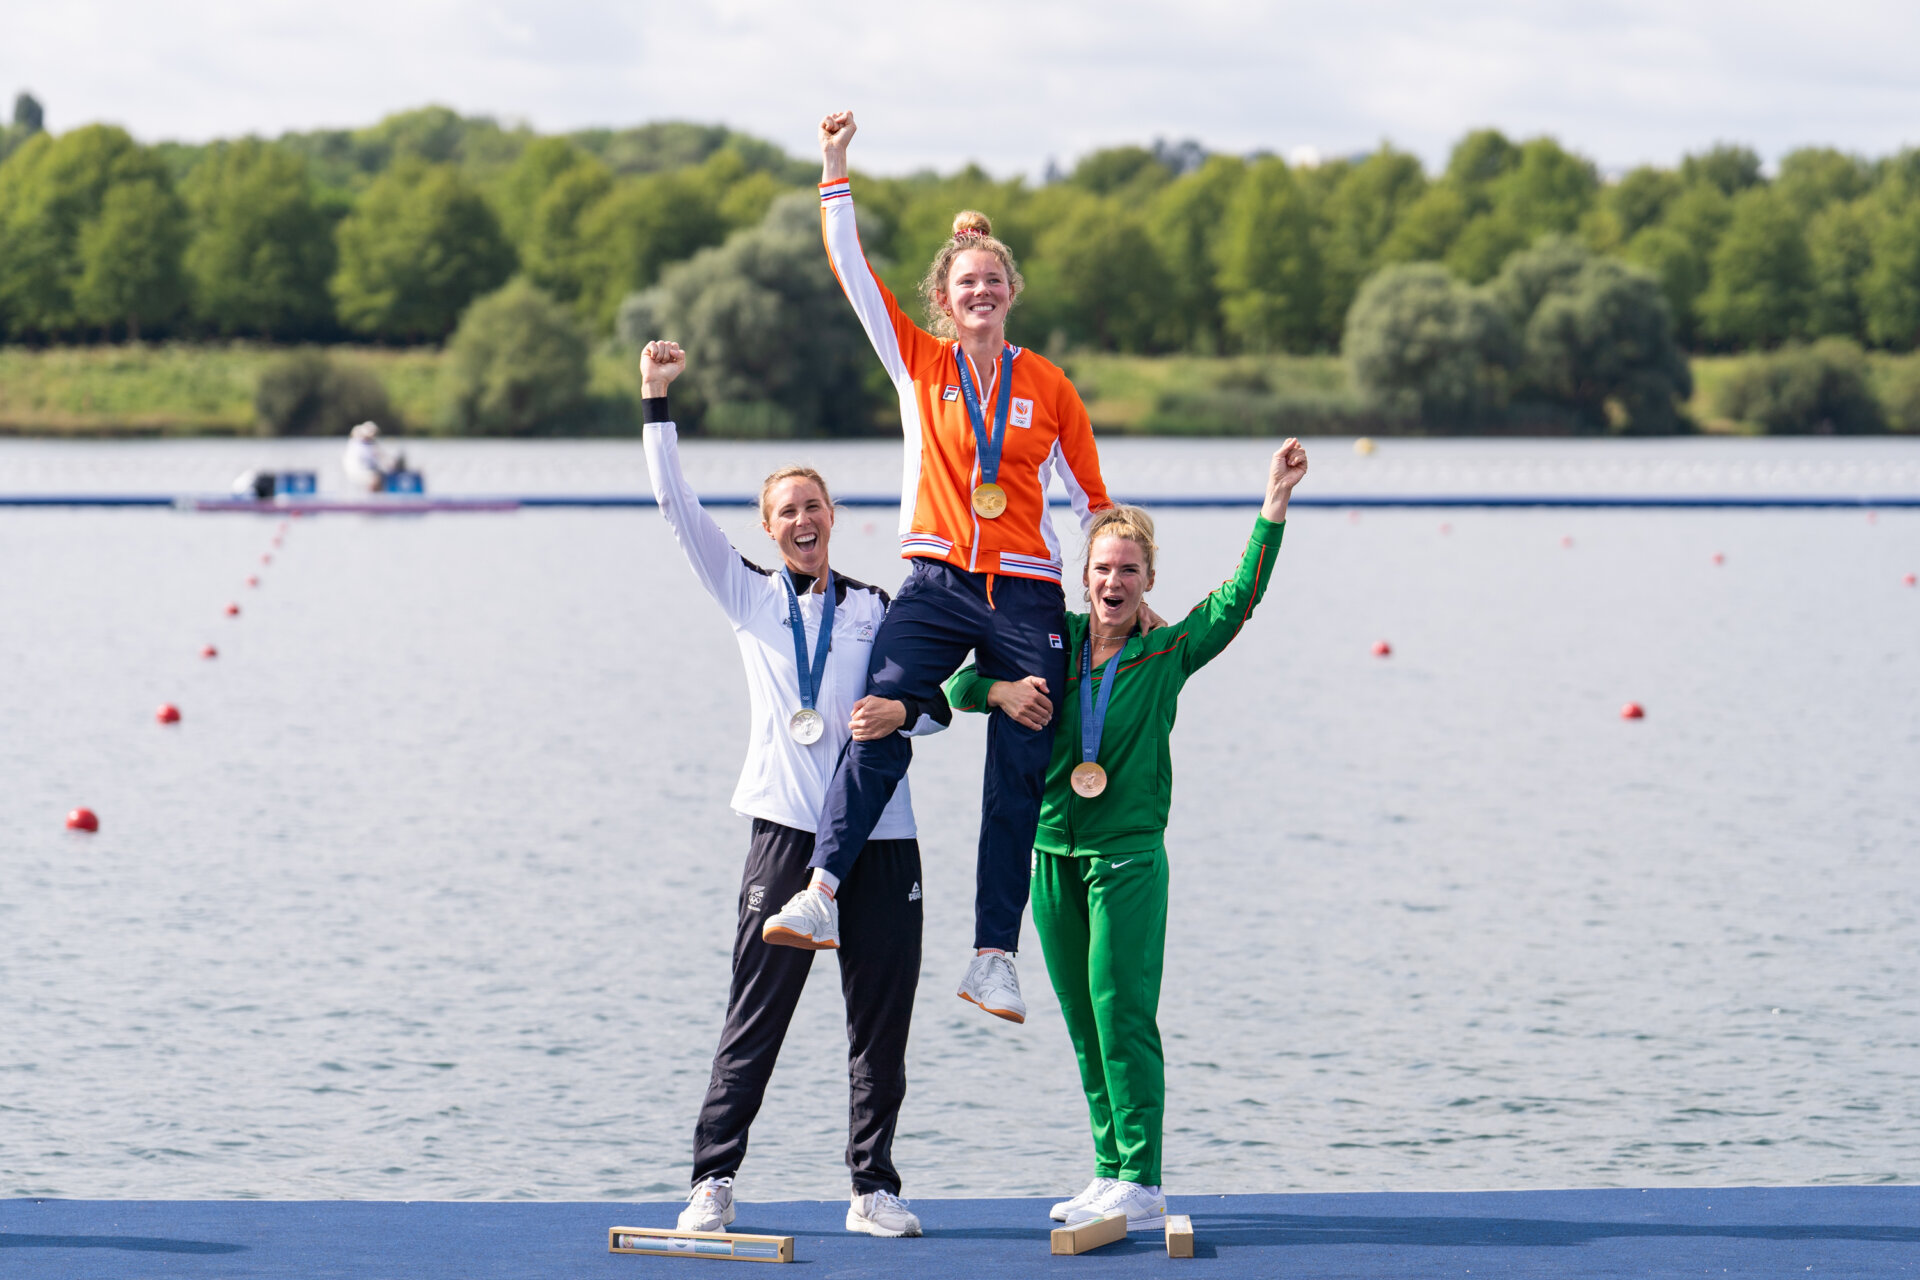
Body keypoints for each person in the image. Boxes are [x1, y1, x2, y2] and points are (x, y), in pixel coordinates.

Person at [761, 110, 1154, 1028]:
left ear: (1011, 290)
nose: (981, 292)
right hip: (935, 582)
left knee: (1025, 745)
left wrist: (1120, 593)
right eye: (966, 282)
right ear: (948, 295)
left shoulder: (1050, 386)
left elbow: (1091, 501)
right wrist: (834, 167)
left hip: (1024, 591)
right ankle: (820, 888)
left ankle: (991, 957)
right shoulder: (920, 363)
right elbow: (851, 272)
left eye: (993, 281)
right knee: (873, 713)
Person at [943, 439, 1309, 1233]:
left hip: (1126, 857)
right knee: (1080, 1017)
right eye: (1103, 569)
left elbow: (1239, 598)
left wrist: (1272, 505)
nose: (1114, 582)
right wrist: (1004, 692)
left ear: (1149, 582)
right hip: (1048, 853)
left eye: (1129, 571)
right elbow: (956, 682)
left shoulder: (1167, 651)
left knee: (1122, 1011)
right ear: (1083, 578)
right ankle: (1109, 1170)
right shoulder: (1049, 640)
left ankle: (1142, 1175)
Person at [641, 339, 944, 1239]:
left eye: (814, 506)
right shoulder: (747, 598)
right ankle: (713, 1181)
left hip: (884, 841)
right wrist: (657, 400)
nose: (803, 521)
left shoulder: (877, 608)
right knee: (756, 1016)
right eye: (787, 512)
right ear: (769, 528)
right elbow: (674, 505)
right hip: (784, 837)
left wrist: (902, 714)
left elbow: (929, 714)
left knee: (879, 1026)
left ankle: (873, 1188)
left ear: (833, 515)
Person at [342, 421, 401, 492]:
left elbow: (382, 458)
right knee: (375, 478)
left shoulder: (371, 444)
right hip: (359, 471)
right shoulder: (356, 443)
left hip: (369, 471)